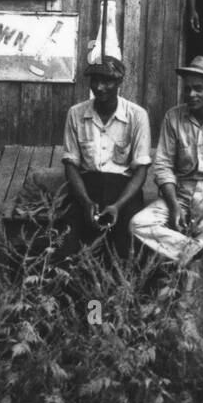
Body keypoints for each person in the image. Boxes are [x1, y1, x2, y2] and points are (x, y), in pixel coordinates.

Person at [129, 56, 203, 265]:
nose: (191, 94)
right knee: (139, 224)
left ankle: (195, 254)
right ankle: (198, 252)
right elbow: (163, 167)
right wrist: (174, 207)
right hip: (181, 196)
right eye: (187, 88)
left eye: (198, 88)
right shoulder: (173, 117)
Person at [60, 56, 151, 259]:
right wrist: (85, 202)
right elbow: (71, 165)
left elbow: (141, 171)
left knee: (127, 246)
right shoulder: (75, 113)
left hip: (124, 190)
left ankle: (123, 289)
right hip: (86, 187)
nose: (100, 87)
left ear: (120, 82)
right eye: (95, 81)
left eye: (107, 81)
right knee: (68, 240)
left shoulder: (137, 115)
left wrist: (118, 206)